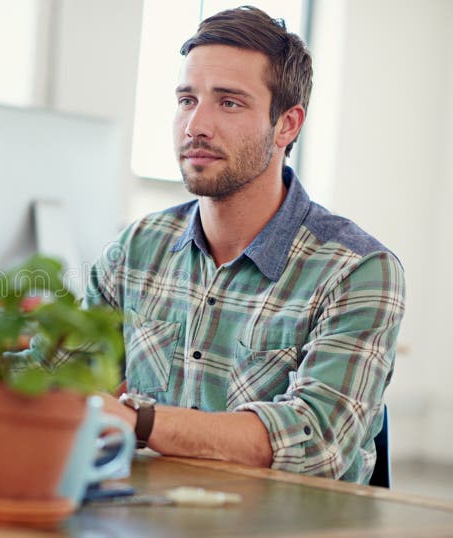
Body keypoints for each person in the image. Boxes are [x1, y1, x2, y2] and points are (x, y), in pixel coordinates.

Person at [89, 6, 405, 484]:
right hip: (144, 516)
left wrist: (140, 420)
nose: (197, 125)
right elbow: (57, 380)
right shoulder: (137, 248)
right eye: (186, 100)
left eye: (229, 103)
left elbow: (317, 441)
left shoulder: (358, 270)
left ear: (288, 125)